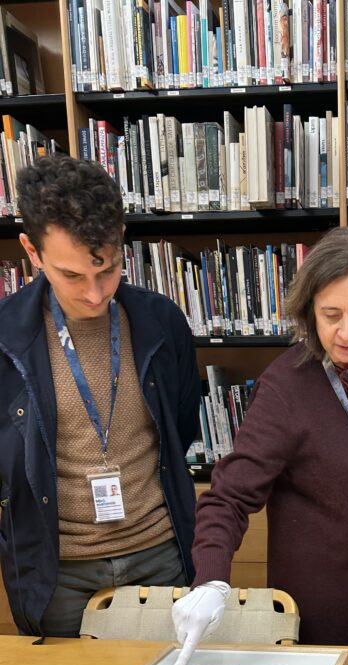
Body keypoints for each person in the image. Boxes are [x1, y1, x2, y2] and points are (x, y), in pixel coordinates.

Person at [172, 226, 348, 665]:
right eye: (331, 315)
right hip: (314, 610)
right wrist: (211, 579)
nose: (346, 333)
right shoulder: (285, 386)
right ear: (309, 310)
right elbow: (228, 496)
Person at [0, 155, 201, 638]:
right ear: (32, 251)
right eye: (71, 276)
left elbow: (182, 425)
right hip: (57, 571)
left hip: (160, 555)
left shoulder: (162, 322)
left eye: (107, 269)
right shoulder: (6, 338)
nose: (95, 294)